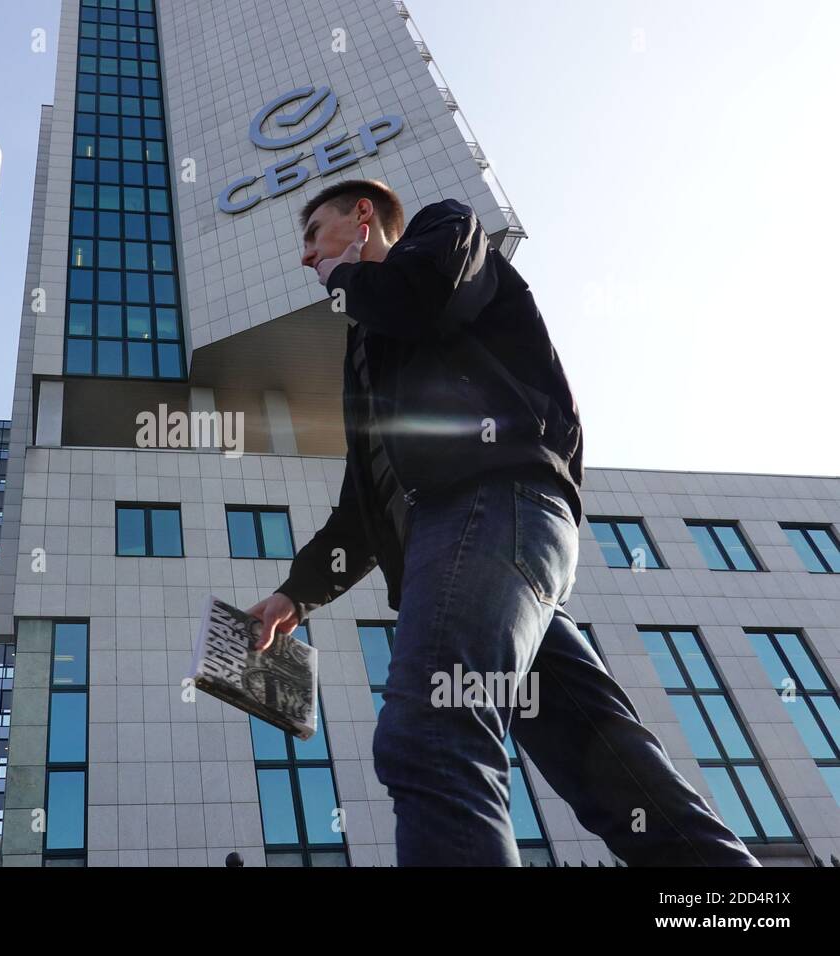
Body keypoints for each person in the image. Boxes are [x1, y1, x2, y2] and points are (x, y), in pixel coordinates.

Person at [245, 179, 759, 866]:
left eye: (314, 236)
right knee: (617, 777)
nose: (307, 258)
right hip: (490, 550)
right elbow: (364, 507)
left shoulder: (444, 233)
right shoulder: (369, 345)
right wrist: (294, 595)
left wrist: (346, 277)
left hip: (489, 511)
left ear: (362, 215)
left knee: (430, 731)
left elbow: (417, 297)